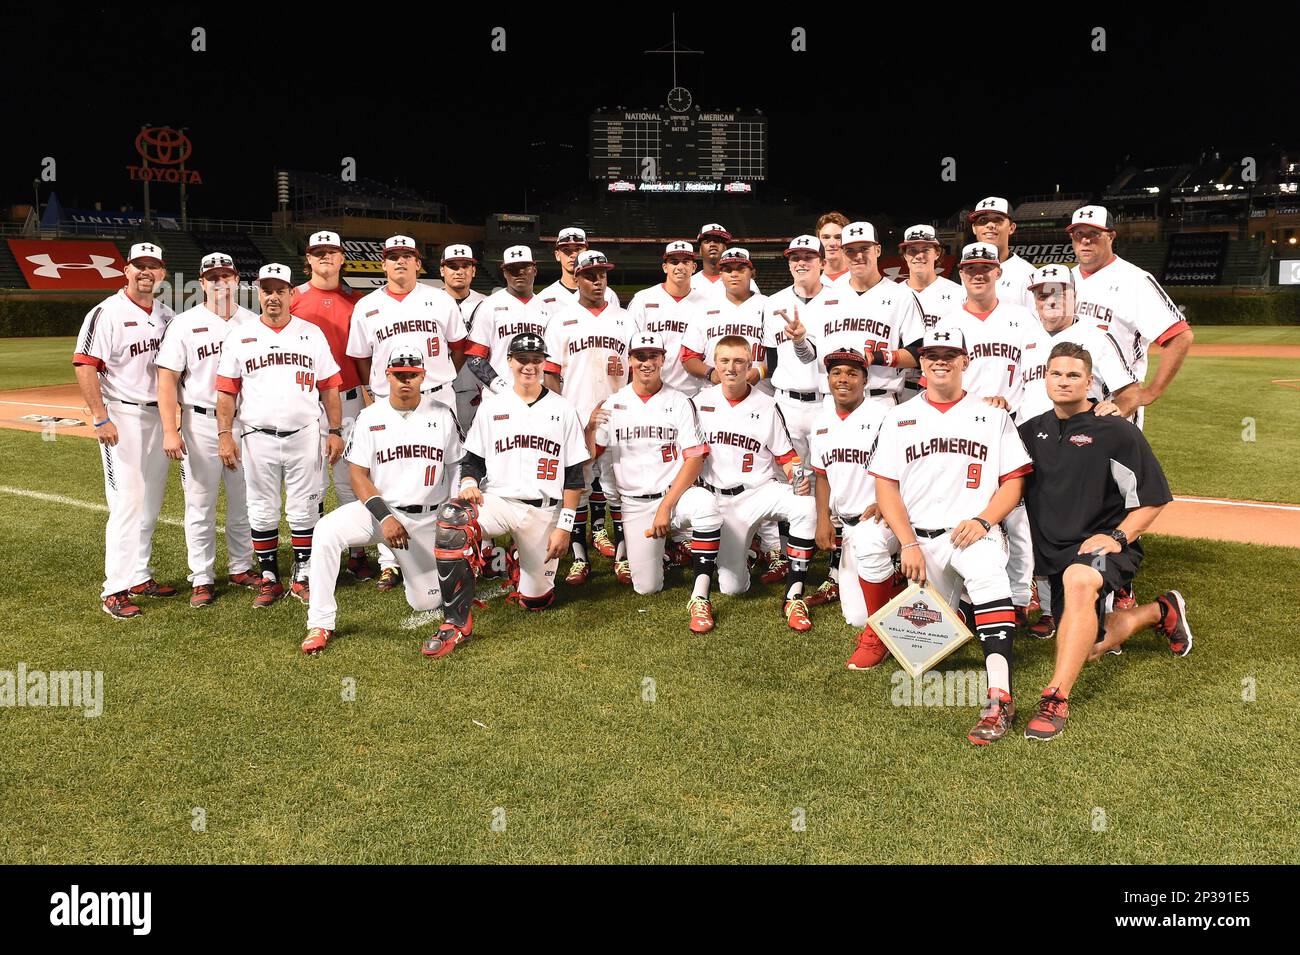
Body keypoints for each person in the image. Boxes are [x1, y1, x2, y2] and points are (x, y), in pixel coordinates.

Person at [1017, 342, 1191, 742]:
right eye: (1056, 374)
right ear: (1044, 378)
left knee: (1080, 580)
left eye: (1073, 375)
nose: (1064, 381)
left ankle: (1055, 697)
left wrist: (1118, 536)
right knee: (1086, 647)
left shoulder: (1116, 431)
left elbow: (1154, 498)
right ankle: (1159, 611)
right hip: (1053, 557)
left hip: (1105, 547)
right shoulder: (1029, 433)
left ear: (1089, 381)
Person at [870, 326, 1033, 745]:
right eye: (930, 354)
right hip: (921, 542)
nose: (939, 361)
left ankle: (1000, 695)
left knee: (988, 578)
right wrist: (907, 543)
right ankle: (958, 613)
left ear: (965, 361)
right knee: (924, 656)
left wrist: (983, 520)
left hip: (971, 531)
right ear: (921, 363)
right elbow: (885, 485)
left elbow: (1013, 482)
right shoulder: (898, 416)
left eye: (949, 354)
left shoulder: (993, 416)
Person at [425, 333, 588, 658]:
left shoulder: (563, 409)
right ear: (510, 362)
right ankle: (456, 623)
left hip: (543, 511)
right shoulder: (493, 407)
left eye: (535, 360)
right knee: (453, 520)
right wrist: (468, 481)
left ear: (544, 363)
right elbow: (473, 460)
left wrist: (565, 527)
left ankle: (521, 564)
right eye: (522, 360)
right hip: (497, 501)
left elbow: (573, 476)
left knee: (536, 601)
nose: (529, 366)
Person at [302, 348, 461, 655]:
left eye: (412, 375)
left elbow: (457, 465)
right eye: (399, 375)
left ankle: (420, 575)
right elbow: (358, 475)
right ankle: (320, 622)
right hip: (382, 513)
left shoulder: (442, 414)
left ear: (422, 376)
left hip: (428, 520)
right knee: (326, 531)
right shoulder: (369, 416)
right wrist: (385, 517)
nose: (405, 381)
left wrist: (452, 512)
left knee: (426, 602)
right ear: (387, 375)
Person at [1018, 264, 1145, 639]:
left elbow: (1129, 391)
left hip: (1084, 445)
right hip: (1037, 440)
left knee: (1094, 515)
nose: (1050, 299)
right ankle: (1047, 607)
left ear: (1074, 296)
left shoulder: (1095, 337)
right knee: (1039, 519)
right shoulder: (1026, 336)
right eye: (1042, 293)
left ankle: (1118, 592)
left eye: (1059, 291)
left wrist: (1114, 412)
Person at [215, 263, 344, 607]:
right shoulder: (240, 336)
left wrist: (334, 430)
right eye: (267, 290)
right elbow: (226, 391)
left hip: (304, 433)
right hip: (257, 436)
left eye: (280, 290)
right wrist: (224, 433)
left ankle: (303, 571)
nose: (273, 297)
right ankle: (269, 574)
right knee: (261, 507)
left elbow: (330, 386)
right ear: (259, 294)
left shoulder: (311, 333)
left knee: (304, 507)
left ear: (292, 294)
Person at [347, 235, 468, 593]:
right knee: (389, 472)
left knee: (443, 470)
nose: (400, 262)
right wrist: (376, 391)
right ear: (383, 264)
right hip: (389, 398)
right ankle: (390, 562)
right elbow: (361, 358)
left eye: (407, 256)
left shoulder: (439, 299)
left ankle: (448, 544)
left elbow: (456, 348)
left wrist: (439, 379)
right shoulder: (367, 306)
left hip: (436, 394)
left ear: (419, 263)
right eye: (393, 257)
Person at [588, 332, 723, 632]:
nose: (646, 362)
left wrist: (666, 507)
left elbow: (695, 458)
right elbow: (589, 457)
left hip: (674, 498)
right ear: (630, 360)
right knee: (646, 587)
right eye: (640, 356)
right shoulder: (613, 404)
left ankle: (700, 597)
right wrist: (589, 427)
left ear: (663, 359)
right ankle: (669, 550)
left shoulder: (678, 401)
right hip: (635, 504)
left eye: (653, 356)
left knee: (707, 506)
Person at [933, 241, 1039, 622]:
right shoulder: (947, 323)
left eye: (985, 268)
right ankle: (961, 596)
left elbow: (1036, 375)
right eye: (970, 268)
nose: (978, 274)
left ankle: (1019, 594)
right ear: (960, 274)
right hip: (962, 431)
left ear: (999, 272)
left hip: (1011, 425)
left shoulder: (1022, 318)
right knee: (962, 508)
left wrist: (1012, 405)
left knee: (1016, 513)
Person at [73, 241, 178, 618]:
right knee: (127, 503)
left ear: (162, 273)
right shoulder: (106, 313)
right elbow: (85, 365)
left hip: (158, 418)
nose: (146, 272)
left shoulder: (167, 315)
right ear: (126, 271)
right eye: (139, 266)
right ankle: (113, 589)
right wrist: (100, 416)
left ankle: (139, 575)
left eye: (153, 266)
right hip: (123, 416)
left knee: (150, 504)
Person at [694, 337, 819, 633]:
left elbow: (787, 456)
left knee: (806, 504)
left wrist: (799, 481)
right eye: (724, 361)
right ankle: (750, 554)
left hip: (760, 491)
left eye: (739, 361)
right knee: (733, 588)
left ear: (750, 365)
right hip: (719, 500)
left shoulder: (767, 404)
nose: (731, 367)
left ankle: (794, 595)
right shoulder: (700, 403)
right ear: (715, 363)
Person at [156, 251, 259, 607]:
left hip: (244, 421)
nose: (220, 282)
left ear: (235, 280)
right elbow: (167, 379)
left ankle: (242, 566)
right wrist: (171, 430)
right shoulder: (184, 323)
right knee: (199, 503)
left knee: (243, 499)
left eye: (226, 276)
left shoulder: (253, 322)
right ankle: (201, 576)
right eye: (212, 277)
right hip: (200, 421)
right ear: (202, 283)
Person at [680, 247, 786, 585]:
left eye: (740, 267)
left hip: (761, 398)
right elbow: (688, 356)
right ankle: (734, 542)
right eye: (727, 268)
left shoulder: (767, 306)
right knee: (722, 465)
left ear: (751, 271)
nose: (734, 273)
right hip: (720, 398)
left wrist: (755, 375)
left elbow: (777, 355)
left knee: (765, 473)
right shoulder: (705, 307)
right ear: (720, 273)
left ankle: (774, 551)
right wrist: (715, 375)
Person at [542, 250, 639, 584]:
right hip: (576, 415)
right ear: (577, 278)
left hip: (618, 416)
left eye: (602, 275)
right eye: (590, 276)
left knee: (619, 487)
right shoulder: (561, 319)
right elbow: (551, 374)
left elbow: (637, 371)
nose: (598, 281)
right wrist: (559, 413)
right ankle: (580, 558)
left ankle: (624, 556)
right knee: (578, 489)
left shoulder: (624, 319)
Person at [290, 230, 374, 581]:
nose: (325, 257)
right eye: (318, 252)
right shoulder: (291, 297)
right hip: (305, 400)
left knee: (349, 478)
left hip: (350, 399)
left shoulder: (359, 301)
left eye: (332, 252)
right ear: (308, 259)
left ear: (343, 258)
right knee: (312, 481)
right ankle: (309, 559)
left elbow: (365, 354)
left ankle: (355, 552)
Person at [1068, 204, 1194, 431]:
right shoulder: (1064, 279)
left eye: (1094, 234)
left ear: (1111, 236)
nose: (1085, 241)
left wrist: (1151, 392)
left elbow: (1180, 336)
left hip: (1115, 403)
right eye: (1079, 234)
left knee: (1115, 466)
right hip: (1067, 400)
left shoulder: (1134, 280)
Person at [809, 348, 899, 668]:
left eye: (851, 373)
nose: (843, 379)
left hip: (882, 517)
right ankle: (896, 581)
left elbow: (905, 465)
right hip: (847, 524)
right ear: (828, 379)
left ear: (865, 380)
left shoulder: (884, 416)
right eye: (836, 373)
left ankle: (880, 636)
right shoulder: (820, 424)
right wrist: (822, 520)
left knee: (870, 543)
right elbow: (821, 477)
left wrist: (885, 500)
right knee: (855, 617)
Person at [765, 234, 839, 606]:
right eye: (795, 257)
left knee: (834, 480)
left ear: (823, 262)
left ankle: (835, 566)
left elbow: (817, 356)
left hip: (826, 401)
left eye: (809, 256)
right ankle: (788, 557)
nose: (801, 262)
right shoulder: (773, 303)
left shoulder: (839, 299)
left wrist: (802, 342)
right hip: (786, 402)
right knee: (790, 481)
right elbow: (771, 362)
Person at [813, 221, 925, 407]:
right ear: (842, 253)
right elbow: (810, 353)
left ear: (878, 250)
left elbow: (918, 353)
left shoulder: (901, 295)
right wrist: (799, 340)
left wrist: (876, 357)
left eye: (864, 248)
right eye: (850, 250)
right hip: (832, 401)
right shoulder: (826, 296)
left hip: (879, 399)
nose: (858, 256)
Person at [898, 224, 964, 402]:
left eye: (926, 249)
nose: (919, 255)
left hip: (946, 386)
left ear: (937, 253)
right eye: (912, 250)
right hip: (901, 388)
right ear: (904, 255)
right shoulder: (892, 295)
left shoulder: (958, 294)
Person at [439, 243, 489, 429]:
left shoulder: (488, 303)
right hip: (440, 386)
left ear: (474, 271)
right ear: (442, 270)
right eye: (453, 266)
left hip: (478, 384)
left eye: (465, 266)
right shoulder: (428, 302)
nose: (459, 271)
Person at [968, 196, 1035, 308]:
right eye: (982, 220)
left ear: (1011, 228)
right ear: (974, 228)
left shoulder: (1028, 274)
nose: (990, 225)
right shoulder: (965, 272)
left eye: (997, 219)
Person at [538, 226, 620, 309]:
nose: (573, 255)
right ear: (557, 255)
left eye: (578, 249)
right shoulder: (544, 297)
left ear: (586, 252)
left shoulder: (608, 295)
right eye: (566, 250)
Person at [689, 223, 759, 298]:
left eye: (718, 241)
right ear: (700, 250)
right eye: (707, 241)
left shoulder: (745, 282)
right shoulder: (689, 283)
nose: (712, 244)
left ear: (725, 249)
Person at [816, 211, 851, 286]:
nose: (832, 243)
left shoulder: (861, 280)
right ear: (818, 240)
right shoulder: (813, 285)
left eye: (838, 237)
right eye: (826, 237)